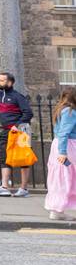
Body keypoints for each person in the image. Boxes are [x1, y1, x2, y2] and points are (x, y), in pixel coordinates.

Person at [0, 72, 33, 197]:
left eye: (2, 80)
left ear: (10, 83)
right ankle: (4, 187)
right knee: (4, 157)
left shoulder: (18, 97)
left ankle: (24, 189)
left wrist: (17, 125)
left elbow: (28, 113)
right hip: (6, 131)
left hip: (21, 131)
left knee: (23, 159)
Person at [45, 87, 76, 221]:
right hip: (68, 147)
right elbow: (65, 133)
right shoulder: (70, 112)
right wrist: (63, 153)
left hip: (59, 146)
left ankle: (57, 210)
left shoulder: (61, 109)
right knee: (66, 175)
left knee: (61, 176)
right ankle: (58, 209)